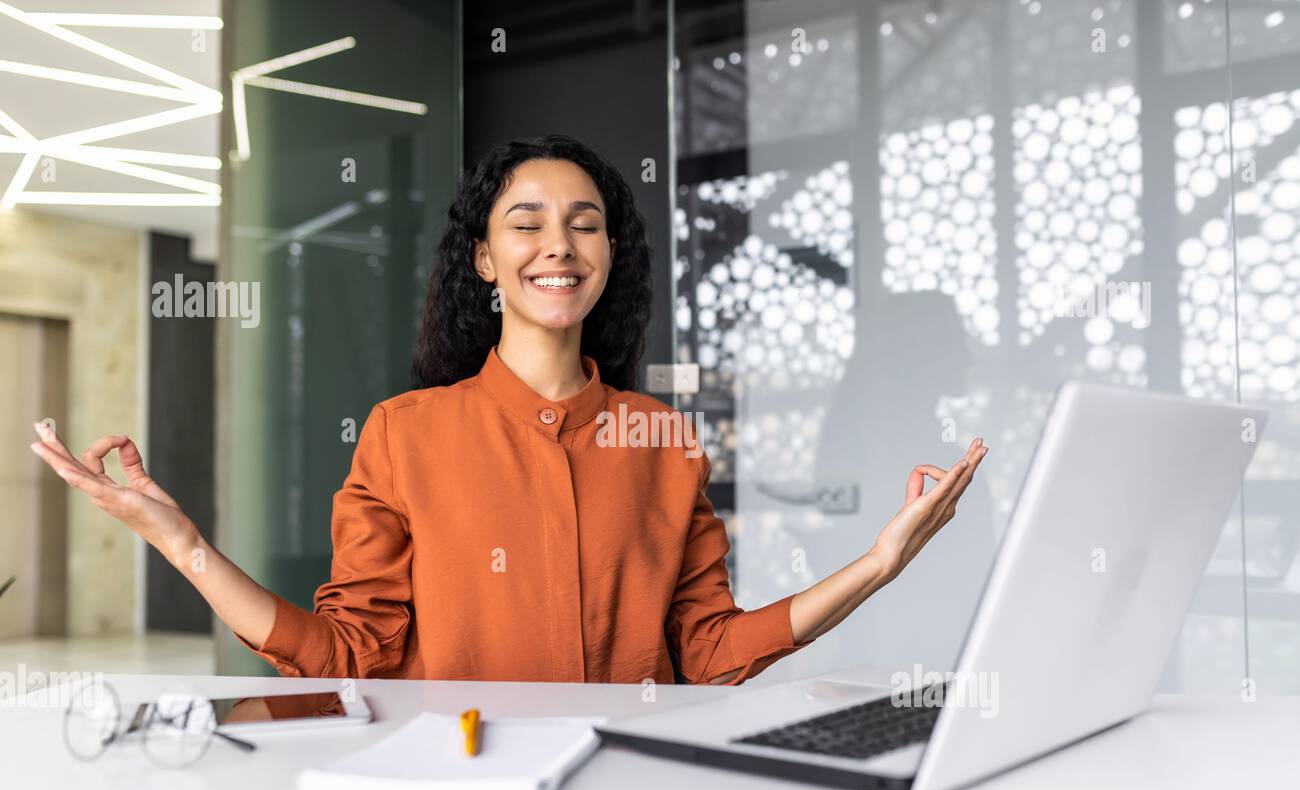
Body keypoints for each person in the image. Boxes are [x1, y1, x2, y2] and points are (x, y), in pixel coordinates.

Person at [29, 134, 988, 686]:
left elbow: (707, 654)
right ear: (486, 259)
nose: (557, 244)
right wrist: (183, 542)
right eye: (524, 222)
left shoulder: (662, 440)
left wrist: (878, 563)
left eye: (585, 222)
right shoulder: (405, 433)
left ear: (608, 256)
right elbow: (350, 655)